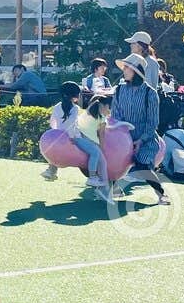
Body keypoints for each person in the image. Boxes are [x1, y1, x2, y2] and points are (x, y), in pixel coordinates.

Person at [110, 54, 170, 206]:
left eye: (127, 68)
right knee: (110, 160)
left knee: (143, 165)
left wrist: (141, 140)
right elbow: (115, 116)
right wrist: (121, 137)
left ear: (136, 71)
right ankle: (113, 188)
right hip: (122, 138)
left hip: (145, 139)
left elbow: (152, 122)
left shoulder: (150, 93)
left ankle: (161, 194)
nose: (124, 71)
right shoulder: (119, 90)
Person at [43, 82, 108, 200]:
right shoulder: (75, 108)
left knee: (54, 148)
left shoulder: (57, 106)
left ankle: (51, 170)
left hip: (60, 135)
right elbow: (72, 124)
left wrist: (57, 132)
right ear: (75, 95)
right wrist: (73, 137)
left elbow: (53, 122)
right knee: (95, 152)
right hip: (74, 138)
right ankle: (92, 177)